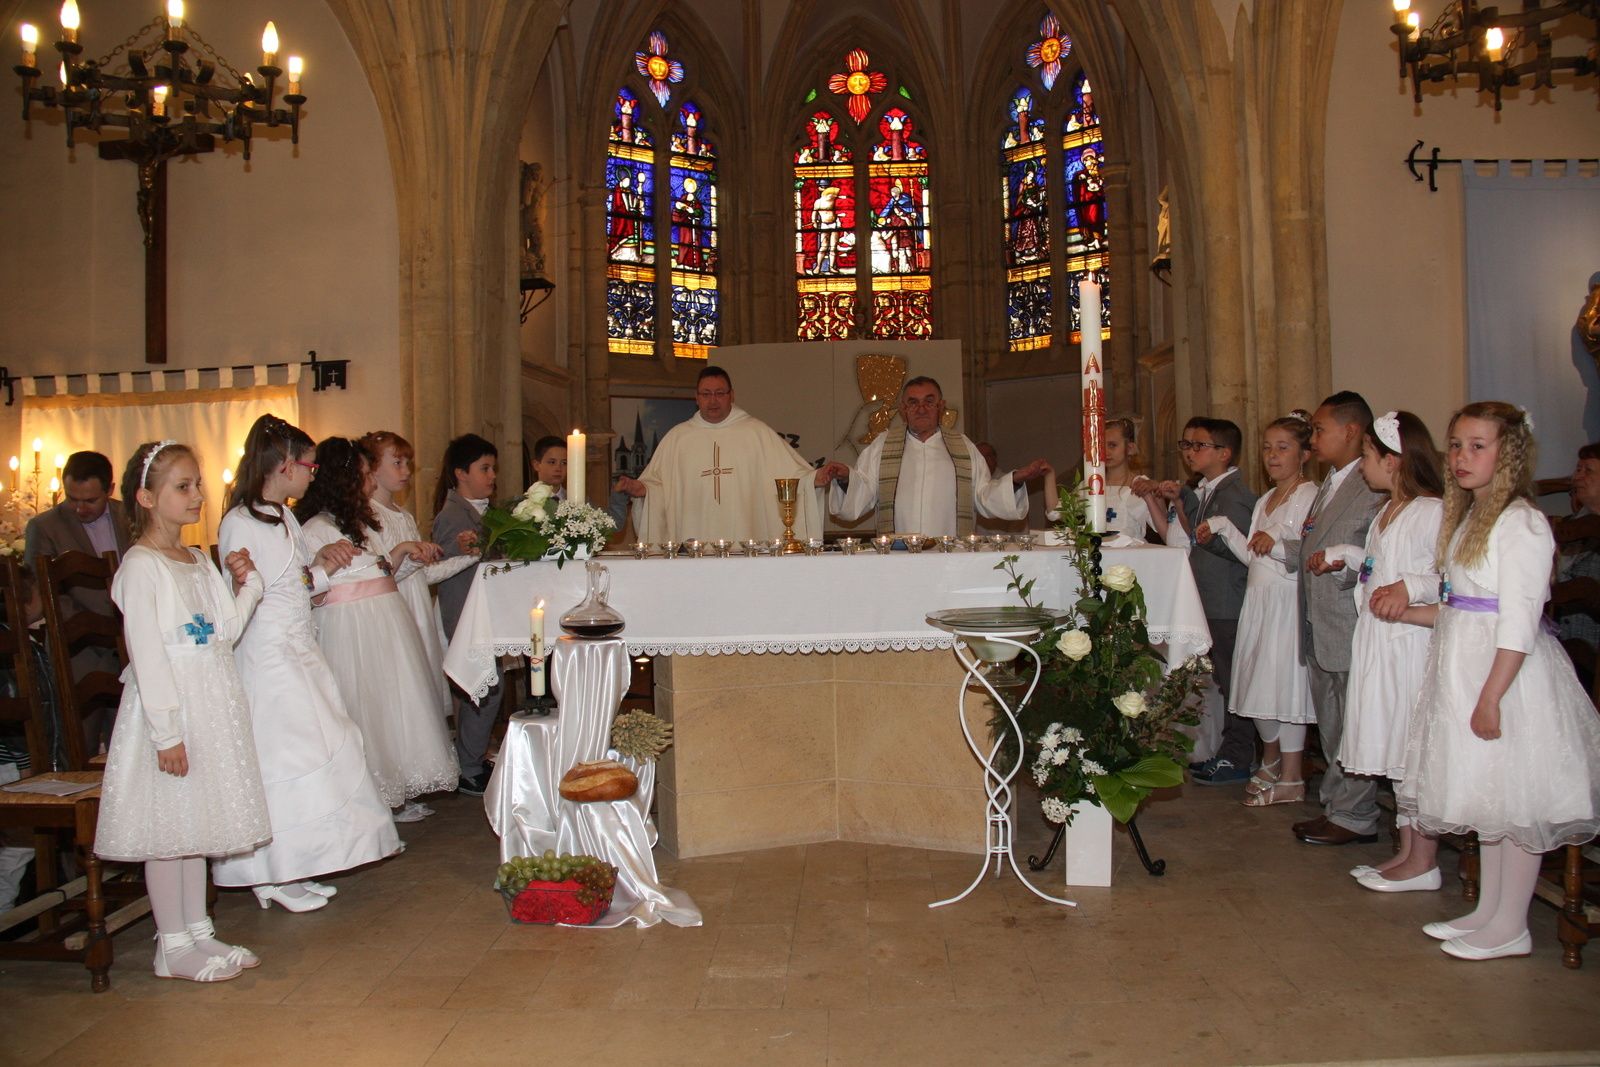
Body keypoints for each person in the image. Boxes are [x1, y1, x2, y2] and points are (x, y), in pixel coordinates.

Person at [1397, 401, 1600, 960]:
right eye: (1456, 446)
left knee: (1515, 800)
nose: (1462, 457)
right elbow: (1458, 603)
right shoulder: (1471, 517)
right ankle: (1488, 910)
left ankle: (1512, 924)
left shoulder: (1522, 522)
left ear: (1506, 454)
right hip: (1464, 666)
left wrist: (1491, 697)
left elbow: (1518, 619)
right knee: (1488, 797)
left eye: (1477, 446)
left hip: (1505, 675)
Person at [93, 441, 270, 982]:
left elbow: (224, 634)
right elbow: (147, 654)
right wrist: (166, 732)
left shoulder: (195, 559)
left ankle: (198, 933)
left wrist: (249, 586)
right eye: (183, 487)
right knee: (169, 831)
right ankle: (170, 944)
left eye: (198, 485)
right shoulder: (141, 566)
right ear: (147, 497)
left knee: (195, 824)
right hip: (170, 710)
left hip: (211, 702)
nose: (198, 495)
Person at [211, 415, 400, 912]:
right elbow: (254, 594)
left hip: (298, 646)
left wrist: (323, 569)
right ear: (283, 465)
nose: (314, 474)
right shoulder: (240, 521)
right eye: (308, 465)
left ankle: (295, 864)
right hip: (269, 654)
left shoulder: (285, 516)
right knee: (284, 760)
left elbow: (295, 585)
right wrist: (307, 578)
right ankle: (269, 872)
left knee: (322, 750)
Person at [297, 438, 459, 821]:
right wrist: (325, 567)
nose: (370, 482)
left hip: (382, 623)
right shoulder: (316, 529)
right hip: (350, 631)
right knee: (364, 709)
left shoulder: (358, 524)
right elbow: (308, 587)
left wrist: (400, 553)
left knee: (389, 709)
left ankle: (393, 786)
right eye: (365, 474)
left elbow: (378, 571)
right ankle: (370, 795)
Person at [1324, 411, 1445, 890]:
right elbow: (1375, 570)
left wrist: (1407, 586)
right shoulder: (1387, 511)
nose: (1363, 465)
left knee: (1413, 749)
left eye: (1369, 456)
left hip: (1410, 645)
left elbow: (1447, 577)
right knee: (1396, 748)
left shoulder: (1430, 511)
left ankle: (1424, 860)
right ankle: (1408, 851)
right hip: (1379, 642)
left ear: (1394, 461)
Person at [1193, 411, 1318, 806]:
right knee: (1257, 683)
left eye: (1283, 448)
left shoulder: (1308, 496)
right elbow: (1254, 557)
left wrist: (1276, 545)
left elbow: (1303, 552)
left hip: (1286, 599)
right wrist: (1225, 529)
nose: (1273, 456)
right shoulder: (1266, 498)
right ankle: (1270, 759)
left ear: (1304, 454)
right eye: (1267, 448)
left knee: (1286, 687)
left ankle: (1292, 774)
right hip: (1259, 600)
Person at [1280, 392, 1385, 847]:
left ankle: (1356, 815)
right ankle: (1338, 806)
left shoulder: (1373, 486)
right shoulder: (1333, 481)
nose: (1313, 437)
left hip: (1347, 618)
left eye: (1321, 429)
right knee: (1332, 722)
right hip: (1318, 620)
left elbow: (1378, 554)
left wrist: (1340, 568)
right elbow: (1314, 543)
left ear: (1352, 432)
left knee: (1351, 722)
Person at [1145, 417, 1258, 785]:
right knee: (1224, 682)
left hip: (1229, 601)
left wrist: (1211, 533)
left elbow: (1241, 551)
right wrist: (1181, 501)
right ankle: (1228, 751)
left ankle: (1239, 755)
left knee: (1234, 681)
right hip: (1212, 600)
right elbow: (1194, 533)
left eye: (1199, 445)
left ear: (1224, 453)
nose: (1190, 452)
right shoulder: (1209, 490)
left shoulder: (1236, 495)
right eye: (1186, 444)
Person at [616, 366, 830, 543]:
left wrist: (814, 479)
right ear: (696, 398)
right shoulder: (678, 438)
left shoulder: (756, 433)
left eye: (720, 393)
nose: (713, 401)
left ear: (732, 396)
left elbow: (790, 477)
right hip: (693, 548)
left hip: (746, 544)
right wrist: (642, 489)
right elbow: (660, 485)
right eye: (706, 394)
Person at [824, 376, 1049, 538]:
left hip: (950, 555)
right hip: (899, 558)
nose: (921, 408)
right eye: (913, 402)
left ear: (941, 407)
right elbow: (863, 494)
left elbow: (984, 496)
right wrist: (846, 479)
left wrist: (1016, 479)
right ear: (903, 409)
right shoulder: (882, 446)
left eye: (929, 402)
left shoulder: (963, 446)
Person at [360, 430, 476, 724]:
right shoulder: (366, 515)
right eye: (397, 463)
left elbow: (425, 575)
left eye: (408, 464)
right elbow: (379, 576)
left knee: (421, 690)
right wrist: (410, 558)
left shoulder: (404, 515)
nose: (406, 471)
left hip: (417, 607)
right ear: (372, 467)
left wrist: (472, 557)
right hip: (393, 608)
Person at [23, 450, 132, 752]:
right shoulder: (44, 527)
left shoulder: (130, 516)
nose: (80, 508)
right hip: (77, 651)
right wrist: (102, 626)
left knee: (127, 745)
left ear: (109, 490)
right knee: (78, 744)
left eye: (90, 500)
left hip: (131, 643)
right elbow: (45, 592)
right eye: (73, 498)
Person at [431, 433, 496, 797]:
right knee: (482, 689)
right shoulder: (454, 515)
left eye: (492, 468)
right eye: (484, 468)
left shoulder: (478, 509)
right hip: (465, 614)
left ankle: (472, 758)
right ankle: (468, 767)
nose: (492, 476)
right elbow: (446, 572)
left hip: (482, 614)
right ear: (460, 473)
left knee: (487, 690)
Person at [1046, 417, 1153, 539]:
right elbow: (1055, 513)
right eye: (1101, 446)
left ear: (1130, 448)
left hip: (1130, 554)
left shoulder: (1141, 484)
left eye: (1112, 445)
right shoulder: (1092, 484)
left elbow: (1160, 525)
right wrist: (1049, 475)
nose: (1105, 452)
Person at [1550, 443, 1600, 690]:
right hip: (1562, 645)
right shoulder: (1566, 528)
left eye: (1588, 471)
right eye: (1577, 469)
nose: (1577, 477)